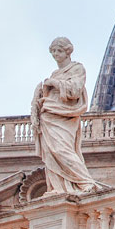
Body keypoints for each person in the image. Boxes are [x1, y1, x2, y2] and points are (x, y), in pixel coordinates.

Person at [30, 37, 97, 195]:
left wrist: (55, 84)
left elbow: (75, 90)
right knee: (51, 153)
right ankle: (58, 187)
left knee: (62, 150)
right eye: (53, 51)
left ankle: (85, 182)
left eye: (58, 51)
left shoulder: (77, 69)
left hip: (65, 117)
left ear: (67, 52)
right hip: (48, 116)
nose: (55, 54)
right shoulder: (55, 73)